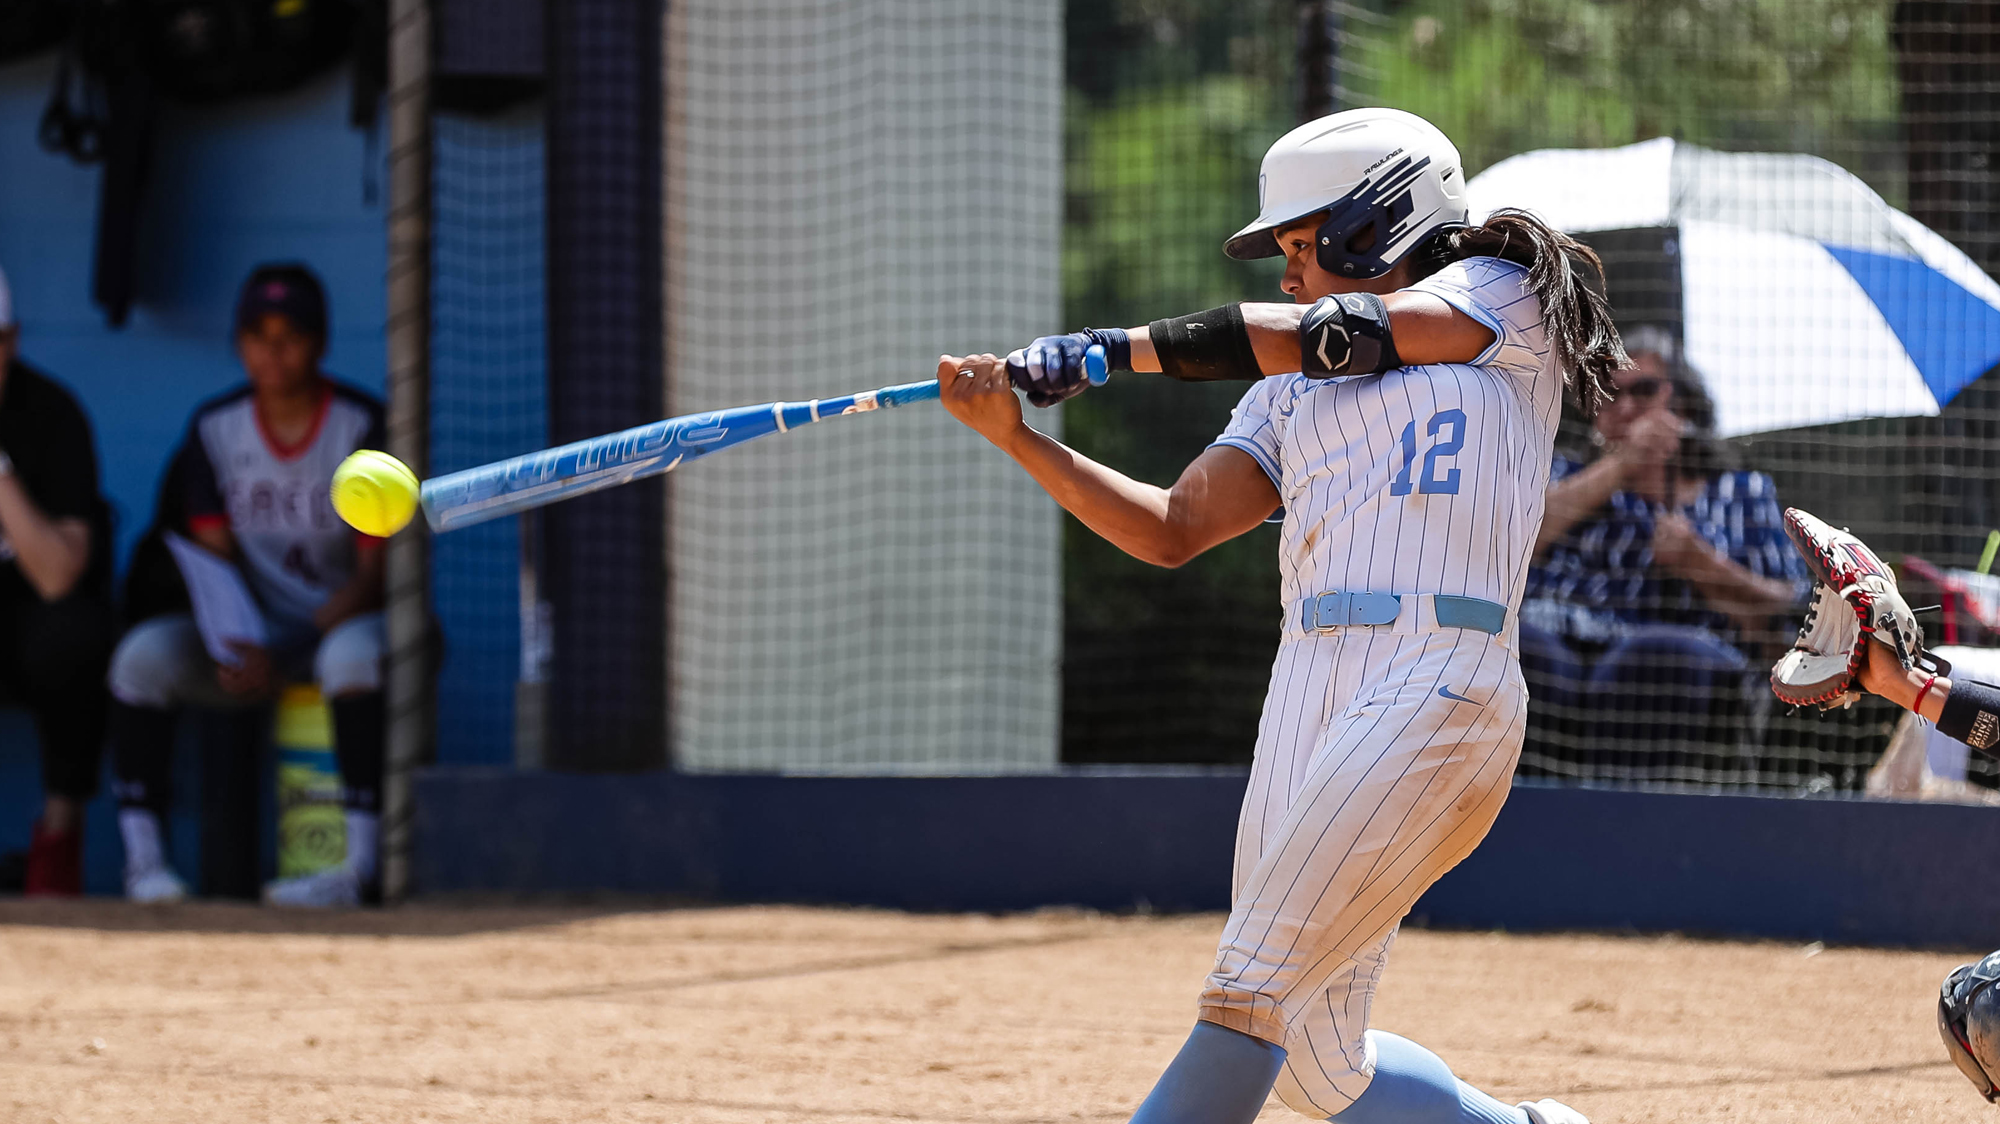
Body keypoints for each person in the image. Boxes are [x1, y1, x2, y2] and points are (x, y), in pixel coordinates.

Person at [941, 108, 1619, 1124]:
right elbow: (1175, 526)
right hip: (1307, 680)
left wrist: (1105, 352)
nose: (1289, 272)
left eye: (1302, 243)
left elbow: (1344, 335)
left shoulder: (1499, 298)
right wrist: (1019, 438)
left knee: (1247, 987)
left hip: (1436, 671)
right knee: (1307, 1057)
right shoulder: (1287, 389)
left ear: (1374, 222)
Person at [107, 263, 388, 908]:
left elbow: (373, 580)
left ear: (319, 342)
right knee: (142, 657)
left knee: (350, 654)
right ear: (239, 343)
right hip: (249, 638)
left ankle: (360, 869)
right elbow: (216, 568)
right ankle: (144, 867)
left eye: (290, 334)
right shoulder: (215, 429)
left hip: (336, 626)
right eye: (258, 334)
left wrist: (287, 650)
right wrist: (238, 644)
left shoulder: (361, 428)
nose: (274, 350)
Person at [1518, 327, 1806, 779]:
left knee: (1656, 655)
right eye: (1610, 395)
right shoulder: (1563, 474)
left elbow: (1788, 602)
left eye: (1645, 391)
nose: (1627, 407)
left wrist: (1701, 562)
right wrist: (1621, 465)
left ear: (1684, 403)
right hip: (1559, 644)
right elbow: (1517, 541)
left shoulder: (1740, 492)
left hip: (1675, 661)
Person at [0, 260, 116, 897]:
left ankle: (58, 843)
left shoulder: (51, 413)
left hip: (31, 623)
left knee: (74, 633)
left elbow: (56, 575)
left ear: (11, 341)